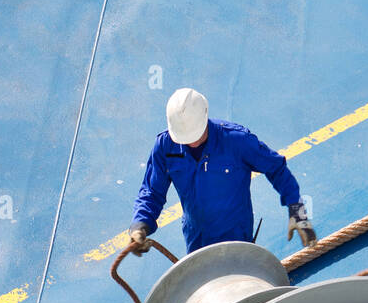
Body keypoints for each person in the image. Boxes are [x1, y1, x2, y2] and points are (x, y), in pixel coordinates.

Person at [128, 87, 317, 257]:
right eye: (185, 139)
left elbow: (276, 168)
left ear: (205, 116)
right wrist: (140, 224)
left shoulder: (237, 141)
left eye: (196, 135)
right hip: (197, 240)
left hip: (237, 239)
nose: (191, 143)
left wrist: (298, 213)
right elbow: (152, 192)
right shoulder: (165, 147)